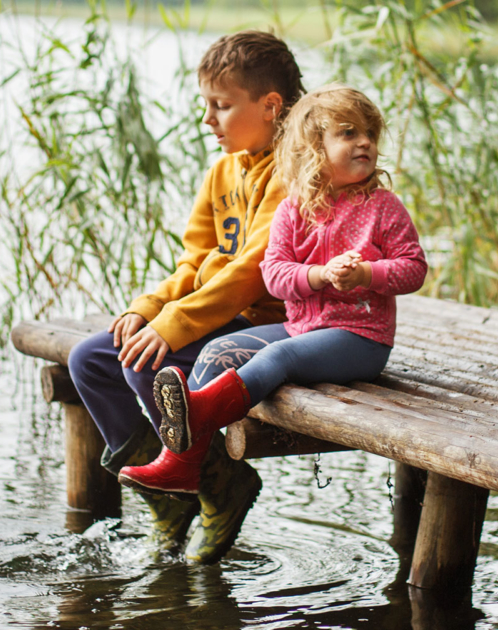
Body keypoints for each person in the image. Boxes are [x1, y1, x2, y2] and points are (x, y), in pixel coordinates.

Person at [118, 85, 427, 514]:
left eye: (370, 134)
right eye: (348, 133)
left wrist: (366, 274)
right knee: (218, 350)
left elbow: (414, 269)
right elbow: (276, 277)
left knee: (280, 357)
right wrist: (318, 275)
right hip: (301, 327)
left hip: (359, 338)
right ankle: (181, 467)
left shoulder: (383, 208)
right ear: (314, 149)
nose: (365, 143)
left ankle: (200, 413)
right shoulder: (293, 210)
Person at [66, 30, 303, 565]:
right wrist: (147, 309)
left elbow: (252, 272)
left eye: (221, 106)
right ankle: (169, 498)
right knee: (91, 359)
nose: (208, 121)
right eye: (206, 106)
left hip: (275, 320)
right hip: (223, 313)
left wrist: (171, 328)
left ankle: (219, 485)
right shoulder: (223, 170)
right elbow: (195, 261)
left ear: (270, 106)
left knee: (151, 360)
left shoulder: (293, 173)